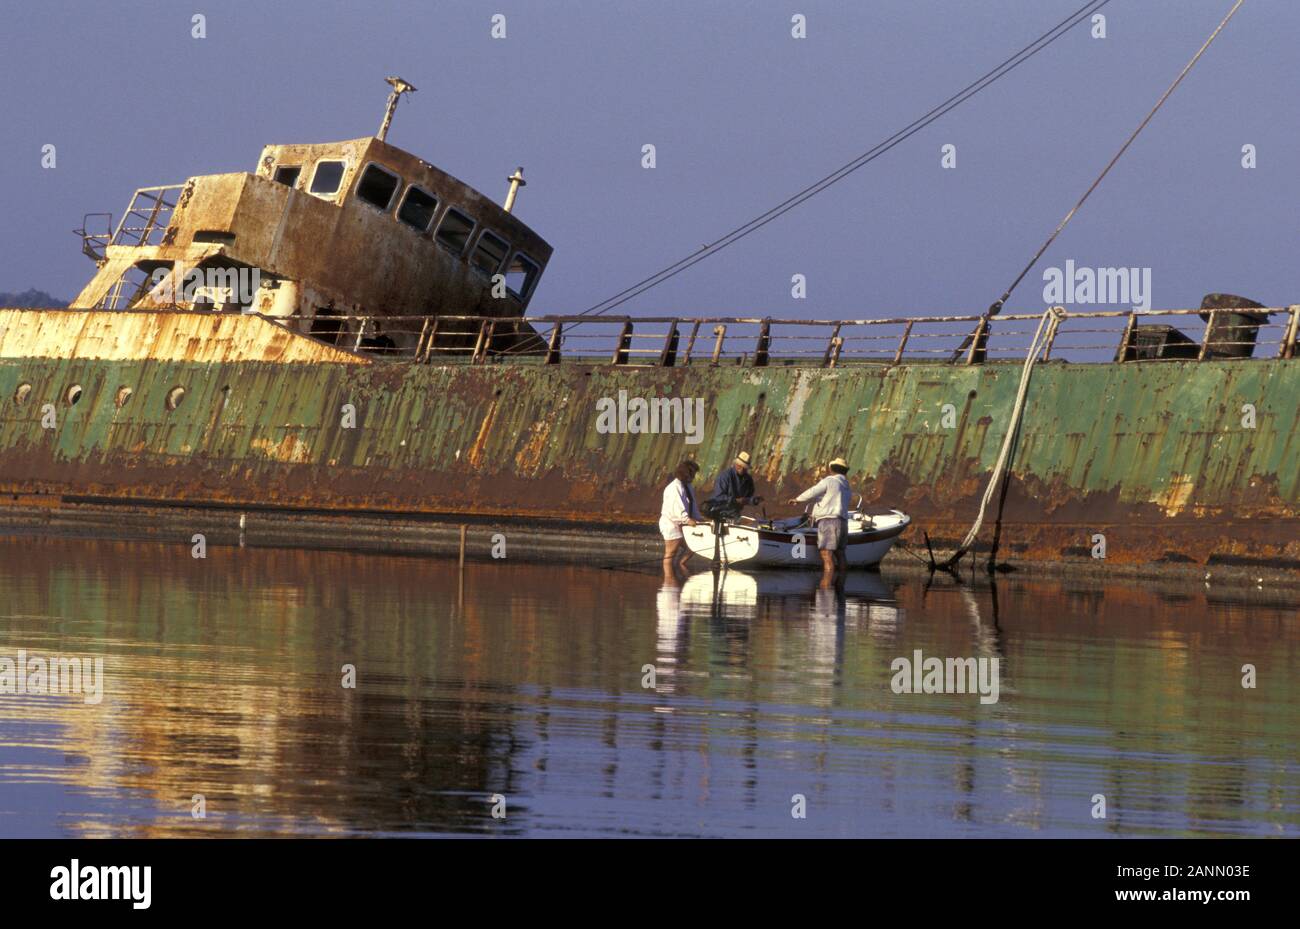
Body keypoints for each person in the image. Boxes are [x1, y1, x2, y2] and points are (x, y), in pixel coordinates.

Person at [788, 457, 852, 579]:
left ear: (831, 468)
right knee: (840, 553)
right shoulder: (846, 486)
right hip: (843, 522)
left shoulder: (829, 481)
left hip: (829, 521)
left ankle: (826, 589)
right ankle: (842, 584)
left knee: (826, 553)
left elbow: (813, 491)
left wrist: (798, 499)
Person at [660, 460, 702, 577]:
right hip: (671, 524)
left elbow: (692, 504)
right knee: (670, 552)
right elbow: (676, 509)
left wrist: (699, 519)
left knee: (693, 546)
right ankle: (668, 581)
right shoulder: (674, 488)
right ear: (686, 473)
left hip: (682, 525)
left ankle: (680, 566)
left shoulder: (687, 486)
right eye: (692, 474)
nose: (694, 477)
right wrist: (687, 520)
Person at [703, 451, 760, 521]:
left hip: (734, 513)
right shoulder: (725, 476)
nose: (742, 469)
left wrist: (755, 501)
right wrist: (736, 500)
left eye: (744, 467)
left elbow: (748, 498)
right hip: (717, 511)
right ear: (736, 464)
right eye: (740, 466)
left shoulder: (748, 480)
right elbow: (718, 497)